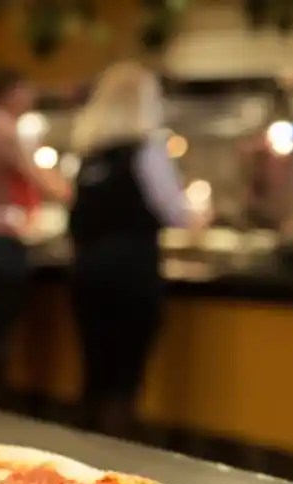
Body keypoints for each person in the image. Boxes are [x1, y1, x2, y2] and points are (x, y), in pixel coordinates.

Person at [68, 62, 203, 437]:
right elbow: (175, 213)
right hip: (132, 272)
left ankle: (84, 455)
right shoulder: (146, 151)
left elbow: (76, 218)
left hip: (87, 270)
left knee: (95, 371)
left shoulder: (89, 156)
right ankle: (113, 465)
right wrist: (199, 215)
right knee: (124, 376)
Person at [0, 69, 69, 402]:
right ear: (9, 92)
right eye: (26, 90)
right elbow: (38, 178)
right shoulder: (2, 128)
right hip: (0, 238)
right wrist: (72, 192)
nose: (30, 99)